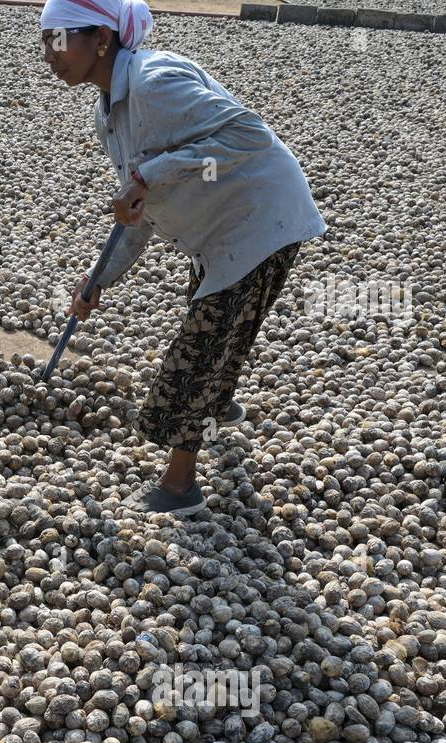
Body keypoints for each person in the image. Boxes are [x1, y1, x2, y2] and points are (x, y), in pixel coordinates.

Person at [41, 0, 326, 516]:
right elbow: (140, 210)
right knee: (220, 319)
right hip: (222, 224)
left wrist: (156, 173)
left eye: (60, 39)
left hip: (259, 214)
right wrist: (98, 279)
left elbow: (249, 136)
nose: (50, 54)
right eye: (45, 41)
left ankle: (180, 487)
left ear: (101, 39)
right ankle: (216, 406)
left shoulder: (154, 82)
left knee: (198, 347)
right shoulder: (110, 109)